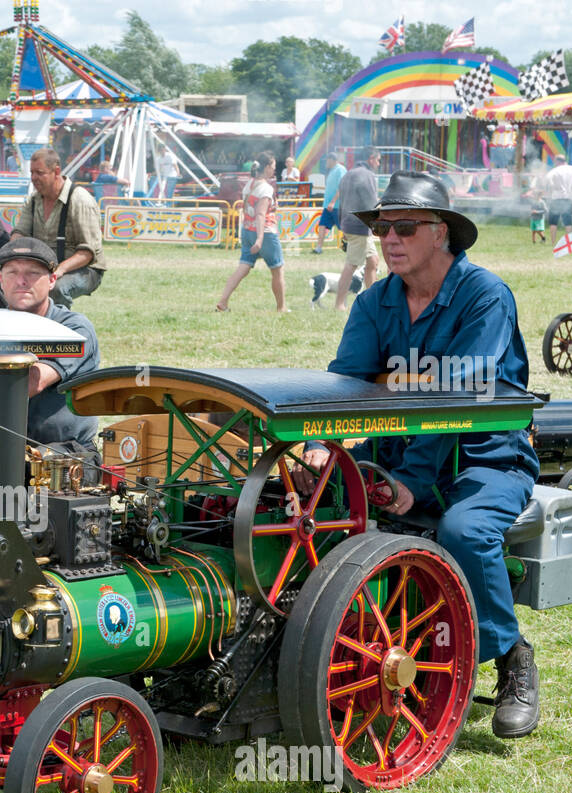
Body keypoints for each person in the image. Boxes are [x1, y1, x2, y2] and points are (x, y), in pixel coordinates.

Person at [296, 171, 541, 739]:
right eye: (383, 228)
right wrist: (316, 448)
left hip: (485, 459)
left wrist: (408, 478)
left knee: (463, 532)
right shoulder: (375, 300)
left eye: (405, 227)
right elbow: (345, 386)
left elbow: (454, 398)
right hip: (396, 452)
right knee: (309, 511)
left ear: (442, 234)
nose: (389, 239)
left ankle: (512, 660)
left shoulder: (485, 296)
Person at [0, 237, 99, 450]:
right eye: (12, 272)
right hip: (4, 441)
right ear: (0, 280)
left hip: (65, 451)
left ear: (52, 280)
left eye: (32, 273)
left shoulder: (74, 329)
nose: (21, 281)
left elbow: (33, 381)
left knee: (21, 473)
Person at [11, 147, 106, 308]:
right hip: (47, 266)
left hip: (84, 269)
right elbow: (20, 233)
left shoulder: (80, 199)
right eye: (32, 173)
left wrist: (58, 270)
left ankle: (62, 327)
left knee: (56, 288)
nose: (34, 178)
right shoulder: (34, 200)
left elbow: (87, 253)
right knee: (12, 284)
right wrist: (11, 256)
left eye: (39, 173)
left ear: (56, 171)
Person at [214, 151, 286, 313]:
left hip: (247, 230)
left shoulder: (249, 184)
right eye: (273, 167)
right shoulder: (266, 188)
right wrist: (260, 239)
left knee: (242, 268)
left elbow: (247, 208)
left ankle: (223, 302)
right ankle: (281, 307)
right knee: (277, 269)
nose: (274, 170)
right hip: (265, 233)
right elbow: (261, 214)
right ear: (267, 167)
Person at [333, 145, 381, 311]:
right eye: (378, 160)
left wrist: (342, 225)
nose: (379, 163)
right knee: (352, 265)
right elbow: (371, 203)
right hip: (359, 226)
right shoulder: (367, 175)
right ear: (371, 159)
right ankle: (339, 304)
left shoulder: (348, 174)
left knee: (373, 261)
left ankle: (373, 300)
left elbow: (342, 202)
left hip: (350, 224)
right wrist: (378, 222)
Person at [313, 151, 345, 255]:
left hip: (337, 206)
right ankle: (318, 248)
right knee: (322, 225)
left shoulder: (340, 170)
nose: (325, 162)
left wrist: (333, 202)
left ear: (332, 160)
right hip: (328, 206)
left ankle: (350, 245)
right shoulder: (331, 170)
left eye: (327, 160)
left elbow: (341, 187)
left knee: (344, 228)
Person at [544, 155, 572, 229]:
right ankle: (569, 239)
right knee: (568, 221)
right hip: (569, 198)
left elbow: (547, 177)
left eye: (555, 162)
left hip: (557, 198)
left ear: (558, 162)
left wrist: (552, 186)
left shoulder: (556, 170)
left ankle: (553, 240)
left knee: (553, 221)